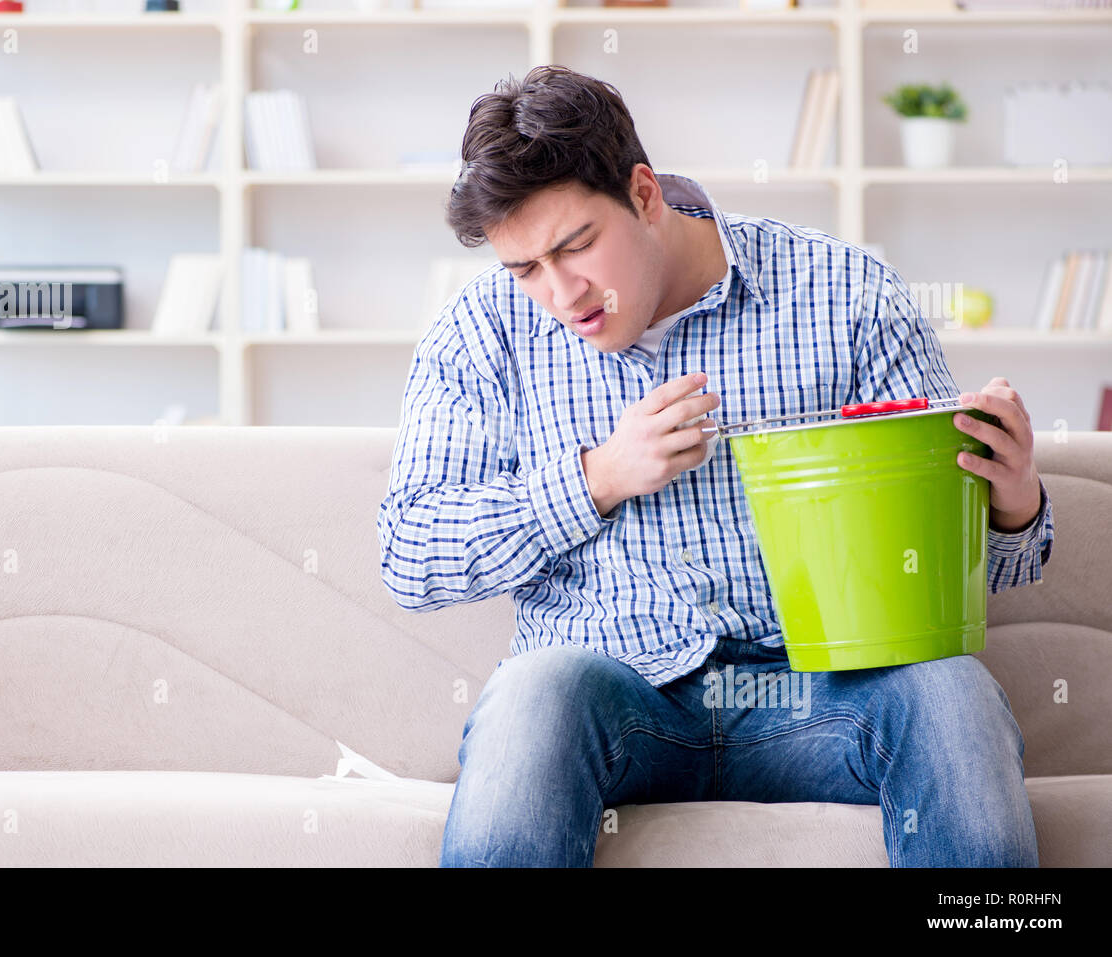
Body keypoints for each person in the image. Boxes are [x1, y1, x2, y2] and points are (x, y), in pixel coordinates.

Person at [375, 66, 1055, 867]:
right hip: (611, 697)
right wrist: (596, 478)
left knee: (952, 691)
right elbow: (411, 556)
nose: (561, 293)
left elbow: (969, 571)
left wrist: (1011, 503)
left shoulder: (847, 296)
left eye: (575, 246)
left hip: (821, 696)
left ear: (643, 193)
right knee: (532, 693)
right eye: (525, 268)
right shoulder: (481, 333)